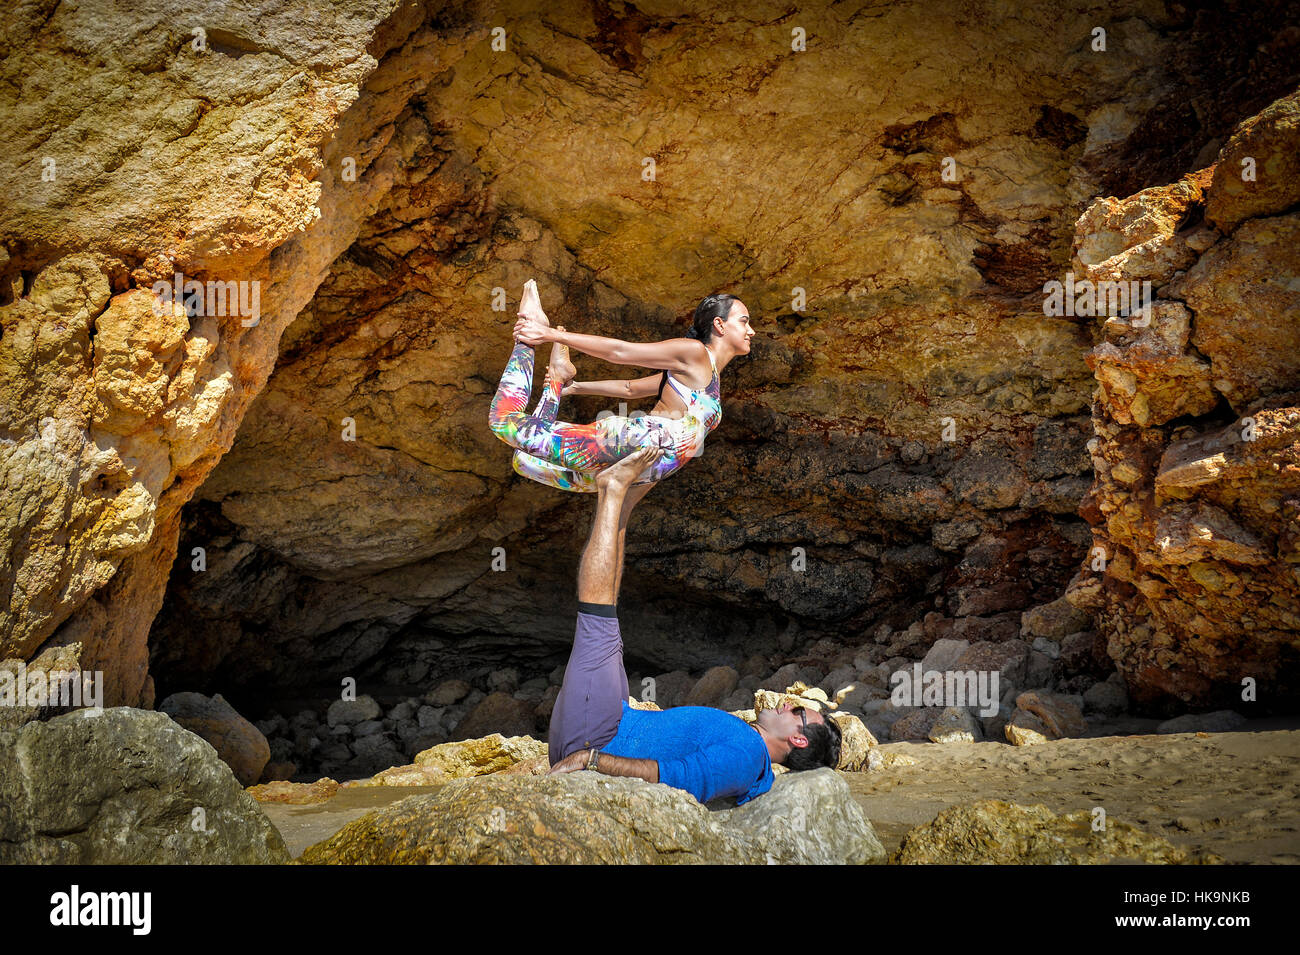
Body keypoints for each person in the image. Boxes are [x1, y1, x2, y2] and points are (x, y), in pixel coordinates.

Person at [545, 445, 842, 804]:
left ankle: (614, 490)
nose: (786, 704)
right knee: (605, 610)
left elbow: (676, 778)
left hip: (598, 735)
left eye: (797, 712)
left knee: (597, 615)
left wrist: (591, 760)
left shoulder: (747, 757)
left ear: (799, 739)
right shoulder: (748, 749)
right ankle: (621, 499)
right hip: (609, 720)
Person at [487, 280, 753, 491]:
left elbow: (631, 389)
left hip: (634, 468)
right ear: (719, 324)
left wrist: (576, 387)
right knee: (502, 421)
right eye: (744, 321)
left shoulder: (708, 379)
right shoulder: (694, 353)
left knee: (524, 461)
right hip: (629, 443)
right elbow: (620, 352)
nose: (751, 331)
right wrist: (549, 335)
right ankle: (530, 335)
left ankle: (557, 379)